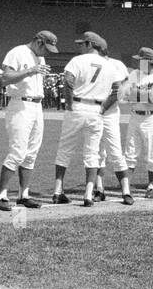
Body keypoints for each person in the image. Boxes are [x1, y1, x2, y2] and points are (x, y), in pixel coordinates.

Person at [52, 31, 129, 206]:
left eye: (82, 43)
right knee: (92, 153)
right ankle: (88, 194)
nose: (79, 46)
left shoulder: (77, 61)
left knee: (65, 149)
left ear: (90, 44)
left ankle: (58, 191)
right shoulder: (109, 65)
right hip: (96, 109)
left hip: (77, 107)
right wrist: (103, 107)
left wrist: (69, 103)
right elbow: (117, 90)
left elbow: (68, 81)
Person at [0, 30, 58, 211]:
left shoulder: (40, 58)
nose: (46, 53)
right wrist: (30, 70)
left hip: (37, 105)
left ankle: (24, 195)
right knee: (17, 152)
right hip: (20, 105)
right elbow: (4, 79)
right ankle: (1, 195)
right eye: (46, 48)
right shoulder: (18, 52)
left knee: (31, 153)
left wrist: (35, 71)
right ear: (38, 42)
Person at [121, 47, 153, 199]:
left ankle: (151, 186)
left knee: (152, 153)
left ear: (150, 62)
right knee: (130, 152)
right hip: (135, 116)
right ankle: (126, 187)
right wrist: (144, 95)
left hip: (152, 118)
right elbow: (124, 94)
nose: (137, 63)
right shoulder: (134, 74)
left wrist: (136, 95)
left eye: (141, 60)